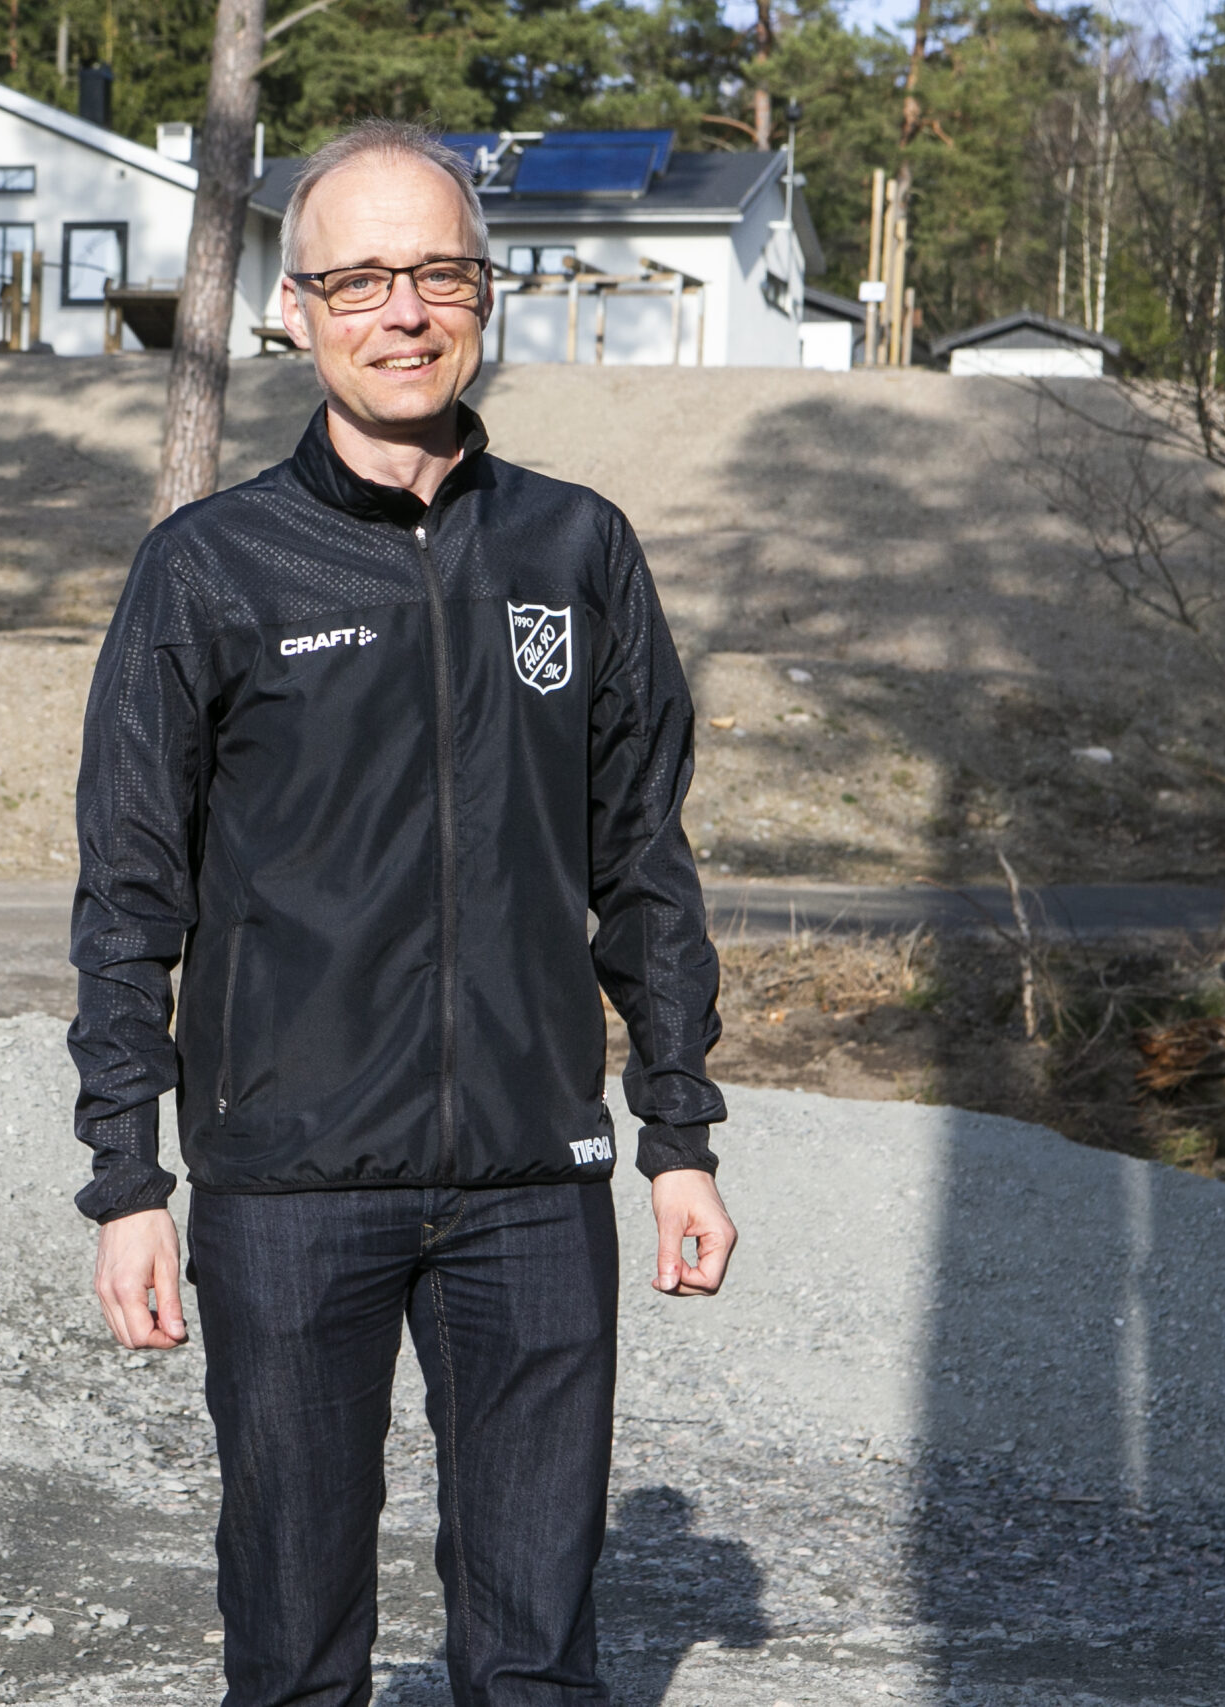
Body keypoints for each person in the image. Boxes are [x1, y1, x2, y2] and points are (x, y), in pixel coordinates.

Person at [66, 118, 736, 1707]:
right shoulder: (211, 569)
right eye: (359, 278)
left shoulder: (578, 550)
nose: (404, 311)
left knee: (536, 1654)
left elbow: (646, 858)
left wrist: (682, 1131)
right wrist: (124, 1177)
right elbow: (128, 892)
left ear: (485, 296)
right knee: (294, 1648)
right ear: (293, 310)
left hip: (531, 1184)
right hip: (290, 1192)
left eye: (438, 272)